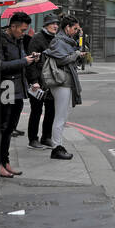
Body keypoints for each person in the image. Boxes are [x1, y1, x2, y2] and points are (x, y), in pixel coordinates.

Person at [0, 11, 40, 178]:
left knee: (9, 128)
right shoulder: (1, 40)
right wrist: (24, 61)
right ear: (12, 26)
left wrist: (30, 58)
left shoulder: (18, 40)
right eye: (22, 30)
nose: (24, 33)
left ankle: (5, 162)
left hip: (18, 89)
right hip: (6, 88)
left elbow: (21, 60)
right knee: (3, 127)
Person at [42, 15, 86, 160]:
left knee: (64, 114)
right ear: (67, 27)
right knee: (60, 117)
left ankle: (58, 145)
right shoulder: (58, 41)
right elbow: (61, 60)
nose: (76, 31)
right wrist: (76, 54)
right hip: (61, 82)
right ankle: (56, 148)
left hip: (66, 82)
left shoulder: (67, 41)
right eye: (74, 28)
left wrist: (77, 53)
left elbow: (68, 57)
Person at [26, 15, 59, 149]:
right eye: (52, 24)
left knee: (51, 111)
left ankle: (47, 137)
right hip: (38, 81)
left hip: (51, 81)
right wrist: (34, 81)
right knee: (36, 111)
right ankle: (33, 139)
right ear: (46, 25)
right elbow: (31, 62)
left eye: (57, 24)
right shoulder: (37, 38)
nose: (55, 26)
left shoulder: (56, 39)